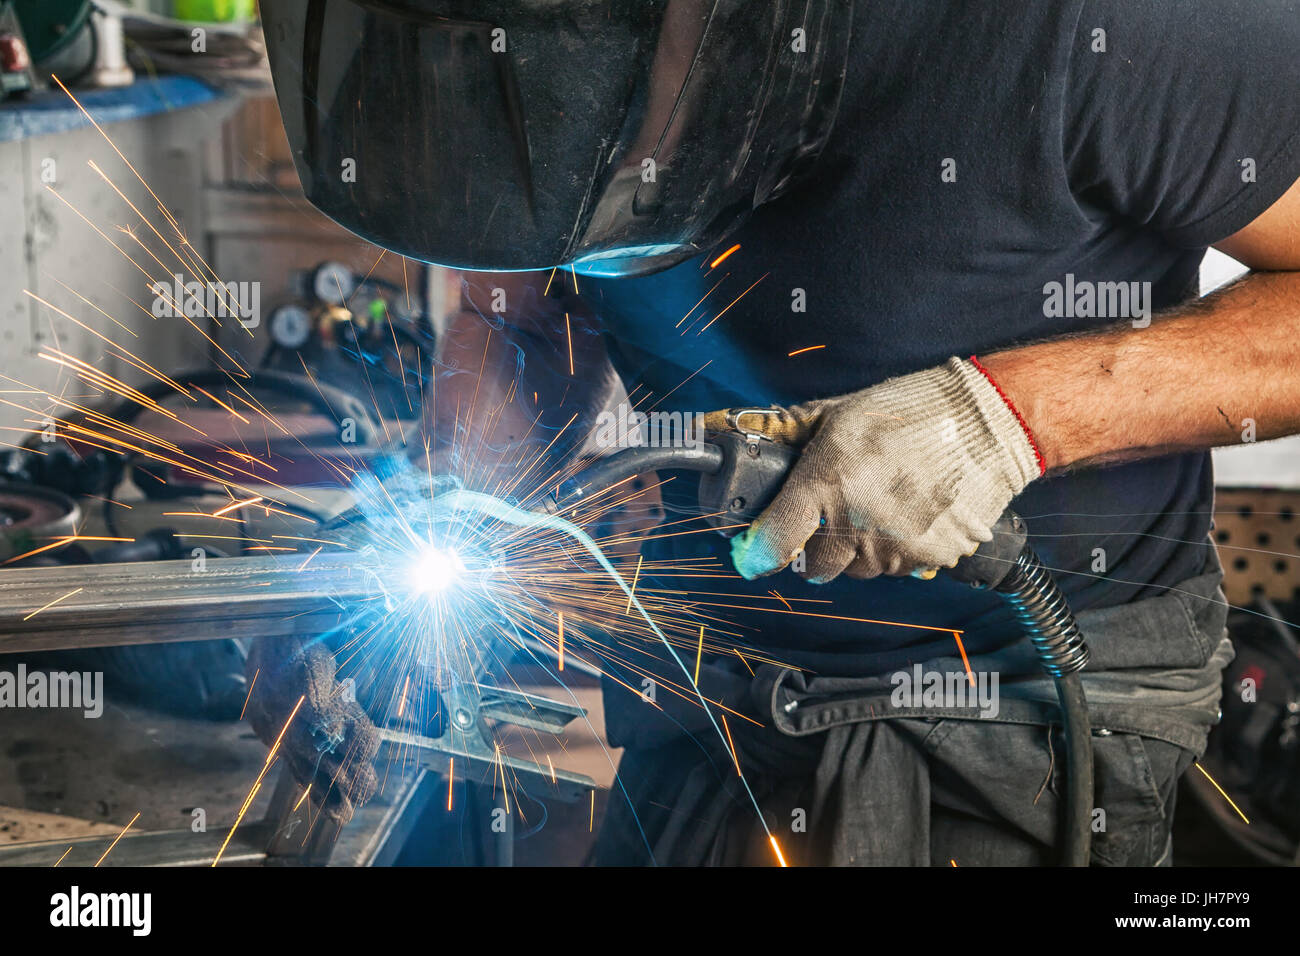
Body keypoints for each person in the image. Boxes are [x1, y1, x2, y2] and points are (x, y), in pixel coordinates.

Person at [256, 0, 1300, 865]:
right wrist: (437, 520)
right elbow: (515, 314)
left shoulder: (1090, 23)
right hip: (715, 675)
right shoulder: (490, 48)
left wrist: (1003, 419)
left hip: (1022, 695)